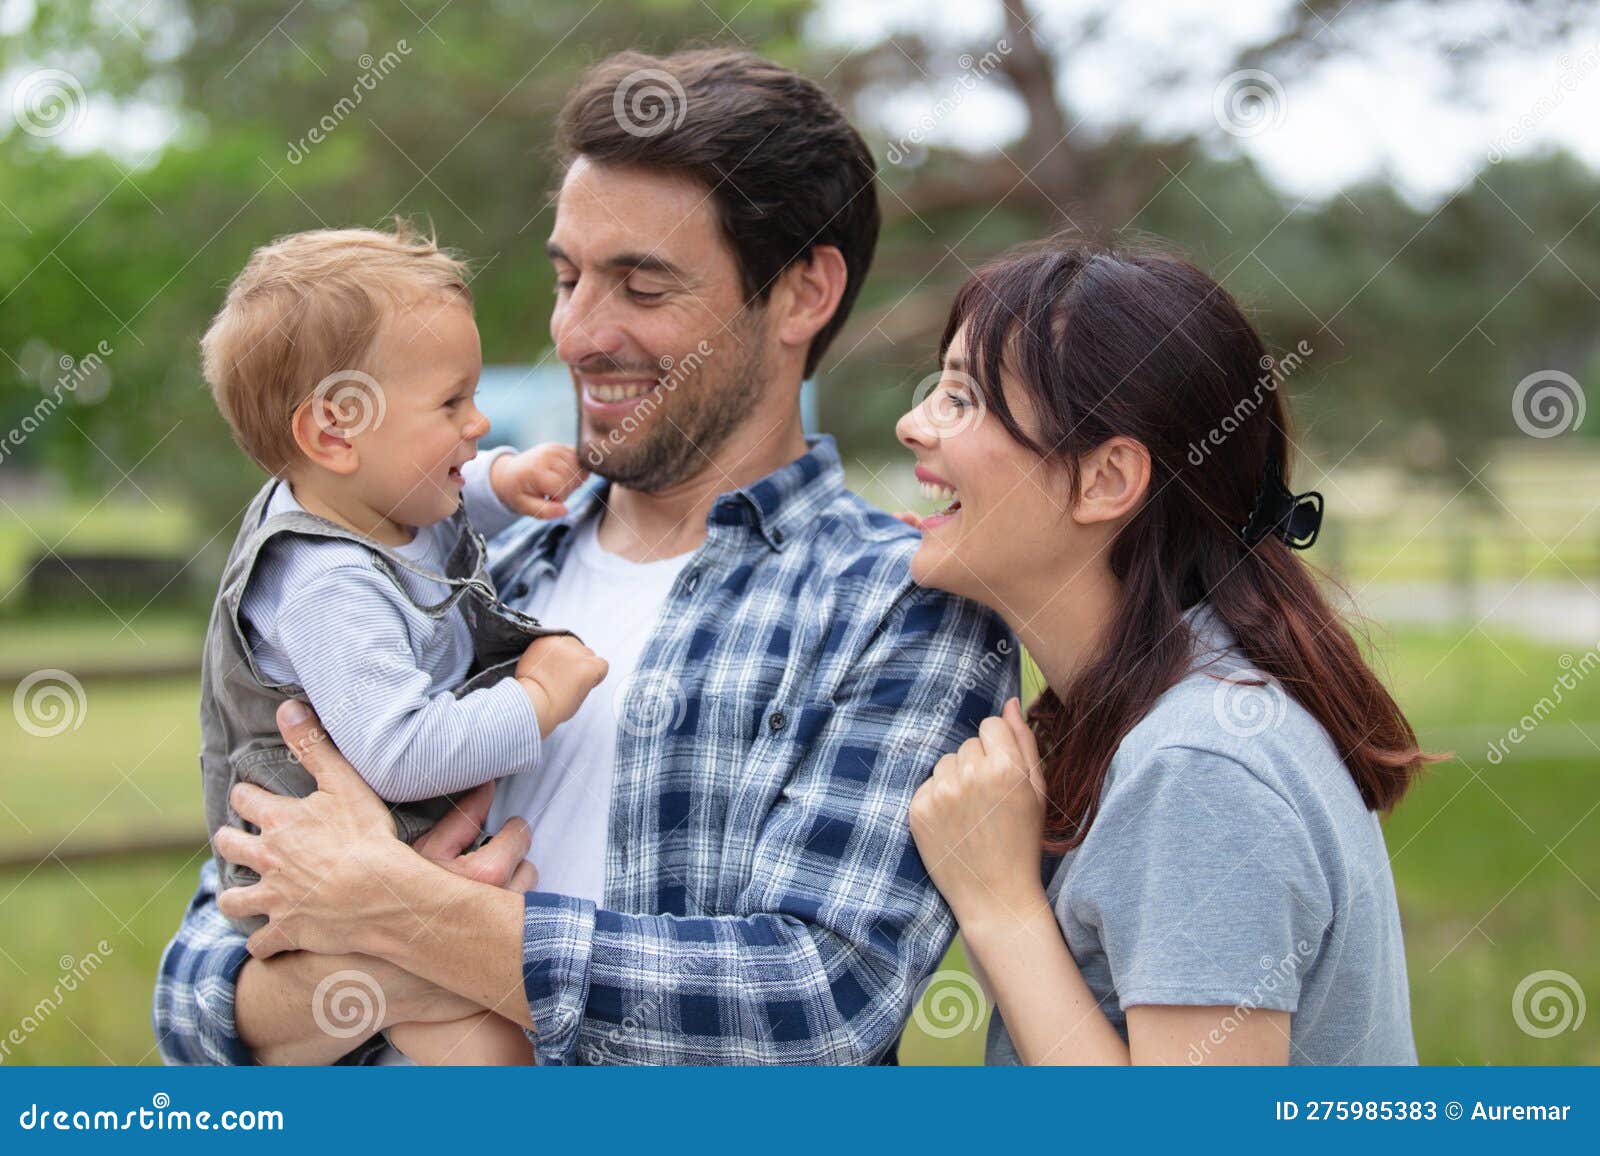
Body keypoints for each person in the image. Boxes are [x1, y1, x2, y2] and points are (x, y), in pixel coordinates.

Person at [153, 48, 1018, 1067]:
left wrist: (398, 913)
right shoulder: (453, 561)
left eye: (640, 285)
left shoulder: (904, 605)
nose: (577, 331)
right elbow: (198, 997)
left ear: (801, 293)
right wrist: (407, 950)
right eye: (568, 277)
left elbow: (810, 1010)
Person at [899, 239, 1430, 1065]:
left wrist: (1000, 904)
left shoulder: (1199, 768)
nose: (912, 423)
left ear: (1105, 480)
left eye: (962, 399)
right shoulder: (1158, 719)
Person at [196, 223, 608, 1063]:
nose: (480, 419)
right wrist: (538, 698)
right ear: (335, 433)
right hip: (335, 895)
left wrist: (496, 479)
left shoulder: (364, 499)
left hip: (388, 862)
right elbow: (403, 755)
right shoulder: (323, 584)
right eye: (452, 403)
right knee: (483, 1041)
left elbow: (424, 527)